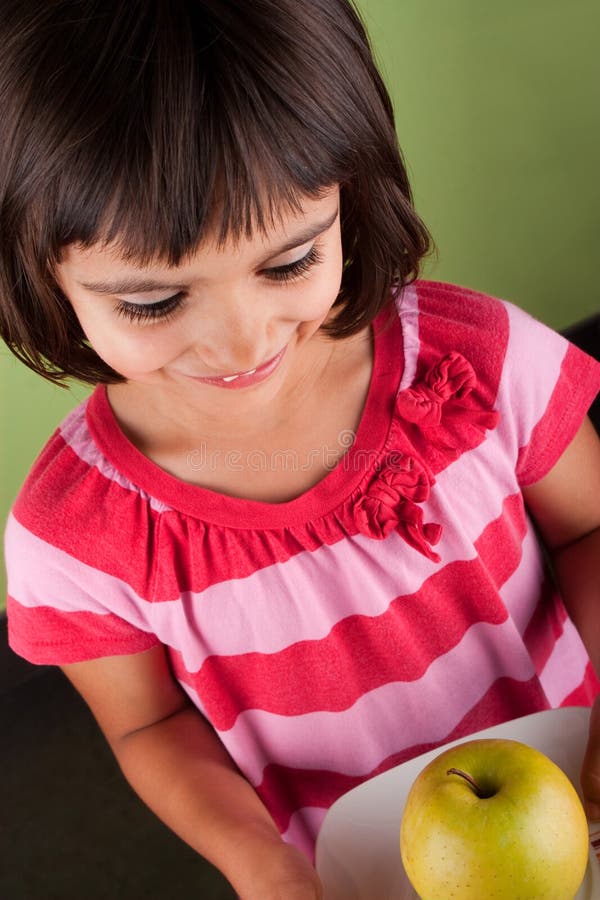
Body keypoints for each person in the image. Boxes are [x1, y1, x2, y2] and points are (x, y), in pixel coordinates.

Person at [2, 1, 600, 897]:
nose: (243, 345)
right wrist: (260, 862)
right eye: (156, 304)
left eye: (289, 263)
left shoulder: (480, 363)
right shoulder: (74, 538)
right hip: (350, 865)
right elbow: (147, 727)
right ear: (35, 270)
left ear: (351, 196)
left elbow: (591, 531)